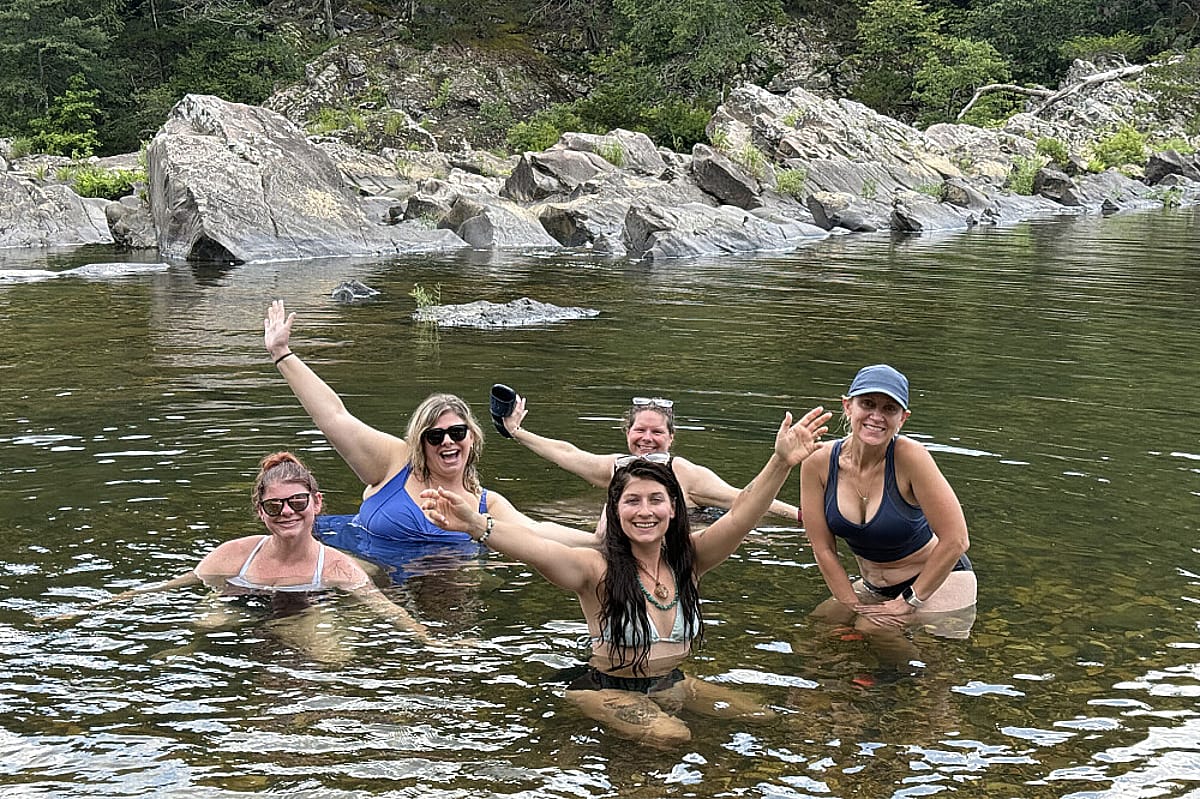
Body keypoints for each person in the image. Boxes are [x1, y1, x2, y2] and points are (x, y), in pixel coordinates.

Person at [421, 407, 832, 748]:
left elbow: (743, 514)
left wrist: (780, 461)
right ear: (615, 512)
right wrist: (477, 525)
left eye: (656, 500)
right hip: (604, 687)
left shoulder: (690, 561)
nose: (645, 511)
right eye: (632, 501)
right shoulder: (595, 570)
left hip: (671, 682)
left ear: (674, 508)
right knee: (673, 734)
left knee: (765, 717)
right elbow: (539, 550)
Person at [263, 300, 595, 574]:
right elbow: (334, 417)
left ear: (472, 439)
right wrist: (283, 355)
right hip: (359, 570)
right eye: (435, 436)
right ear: (420, 442)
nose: (447, 442)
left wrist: (599, 542)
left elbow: (536, 532)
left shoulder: (485, 503)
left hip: (439, 581)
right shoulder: (395, 462)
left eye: (457, 432)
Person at [43, 452, 434, 646]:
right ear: (261, 513)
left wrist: (433, 644)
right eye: (274, 505)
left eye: (297, 502)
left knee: (333, 656)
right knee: (203, 625)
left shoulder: (338, 569)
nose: (287, 513)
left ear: (316, 503)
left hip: (310, 604)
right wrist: (86, 610)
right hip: (243, 600)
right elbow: (169, 587)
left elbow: (389, 612)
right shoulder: (234, 555)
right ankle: (186, 655)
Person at [799, 364, 977, 656]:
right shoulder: (818, 463)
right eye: (867, 404)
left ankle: (920, 691)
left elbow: (956, 540)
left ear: (902, 419)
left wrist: (908, 602)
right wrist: (851, 604)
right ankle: (831, 693)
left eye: (889, 409)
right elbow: (823, 549)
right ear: (848, 406)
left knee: (873, 629)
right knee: (821, 626)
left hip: (940, 581)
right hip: (874, 585)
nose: (876, 416)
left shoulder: (910, 458)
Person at [499, 393, 801, 531]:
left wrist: (803, 518)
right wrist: (517, 431)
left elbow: (747, 500)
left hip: (688, 529)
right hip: (627, 533)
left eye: (657, 432)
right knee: (542, 514)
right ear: (627, 433)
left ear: (670, 438)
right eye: (639, 430)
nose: (646, 438)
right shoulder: (617, 467)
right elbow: (568, 454)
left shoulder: (685, 474)